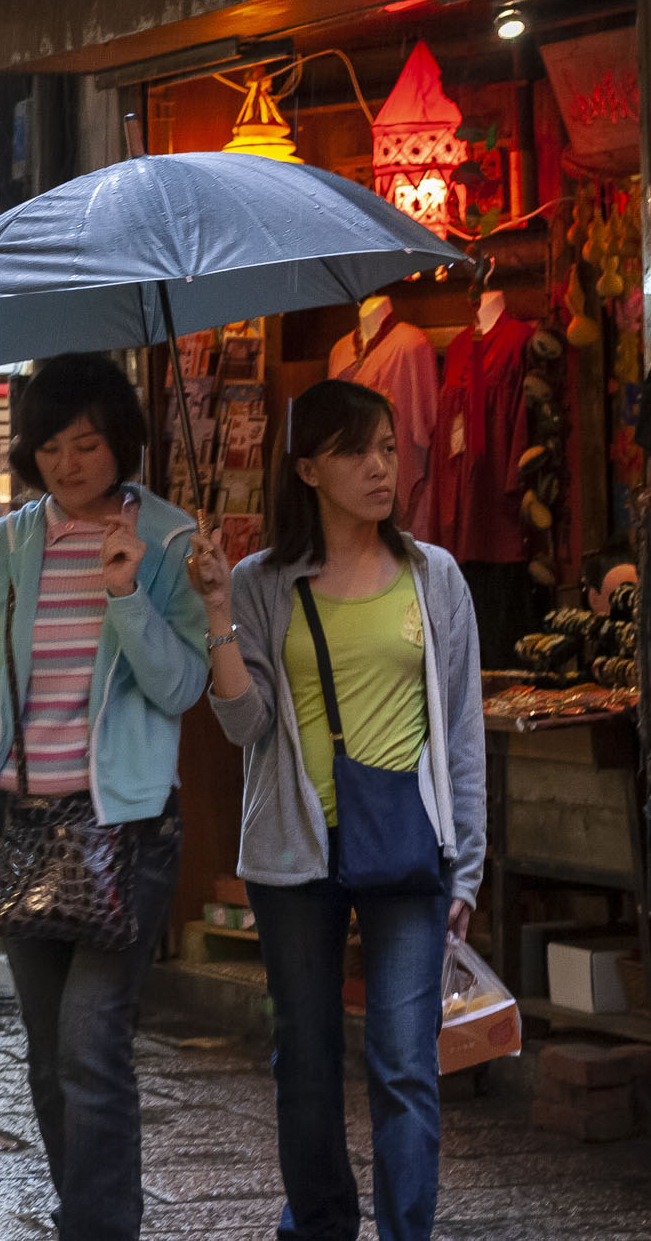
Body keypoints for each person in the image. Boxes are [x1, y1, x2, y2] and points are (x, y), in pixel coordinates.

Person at [0, 353, 208, 1241]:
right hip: (21, 832)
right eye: (51, 445)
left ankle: (100, 1229)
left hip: (127, 833)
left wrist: (129, 592)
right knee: (52, 1060)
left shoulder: (170, 541)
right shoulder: (7, 548)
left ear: (120, 441)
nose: (69, 462)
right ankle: (82, 1212)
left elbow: (180, 689)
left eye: (88, 442)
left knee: (93, 1044)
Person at [187, 379, 484, 1241]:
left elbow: (461, 729)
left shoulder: (435, 577)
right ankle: (318, 1224)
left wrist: (468, 859)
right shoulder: (261, 582)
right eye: (357, 451)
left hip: (408, 848)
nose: (380, 466)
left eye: (388, 447)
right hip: (293, 854)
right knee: (307, 1066)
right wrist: (214, 611)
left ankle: (406, 1232)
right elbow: (246, 723)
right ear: (309, 467)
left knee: (404, 1063)